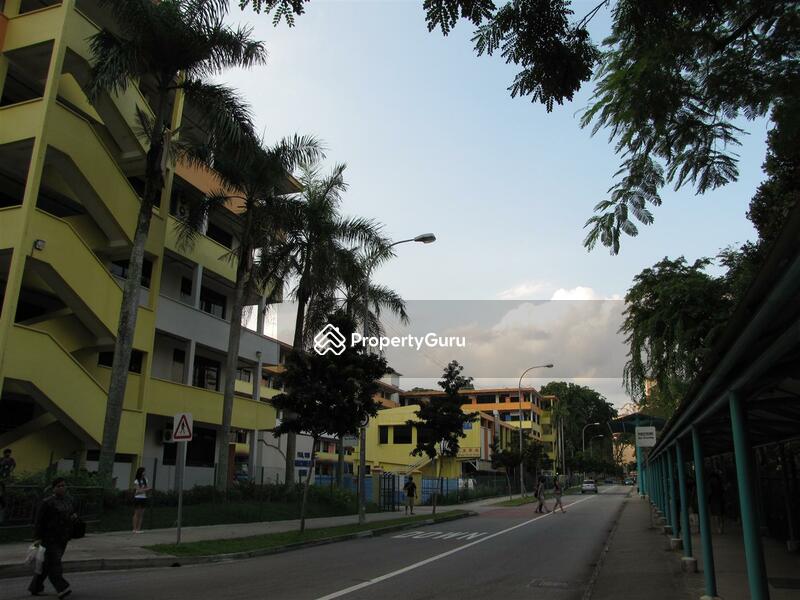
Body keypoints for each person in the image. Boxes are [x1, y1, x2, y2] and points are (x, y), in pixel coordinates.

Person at [28, 477, 76, 599]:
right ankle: (62, 588)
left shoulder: (67, 501)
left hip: (63, 537)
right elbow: (39, 521)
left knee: (46, 564)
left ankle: (36, 587)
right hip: (49, 538)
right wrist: (37, 537)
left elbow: (70, 515)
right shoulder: (47, 502)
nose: (62, 488)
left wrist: (73, 518)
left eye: (63, 485)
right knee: (54, 563)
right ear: (53, 488)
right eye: (59, 486)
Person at [132, 467, 151, 533]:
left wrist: (145, 490)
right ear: (140, 472)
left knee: (141, 514)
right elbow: (138, 491)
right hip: (138, 498)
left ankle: (138, 529)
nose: (145, 473)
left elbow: (145, 489)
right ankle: (134, 529)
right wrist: (145, 490)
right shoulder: (136, 481)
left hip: (144, 498)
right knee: (136, 513)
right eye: (143, 471)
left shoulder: (146, 480)